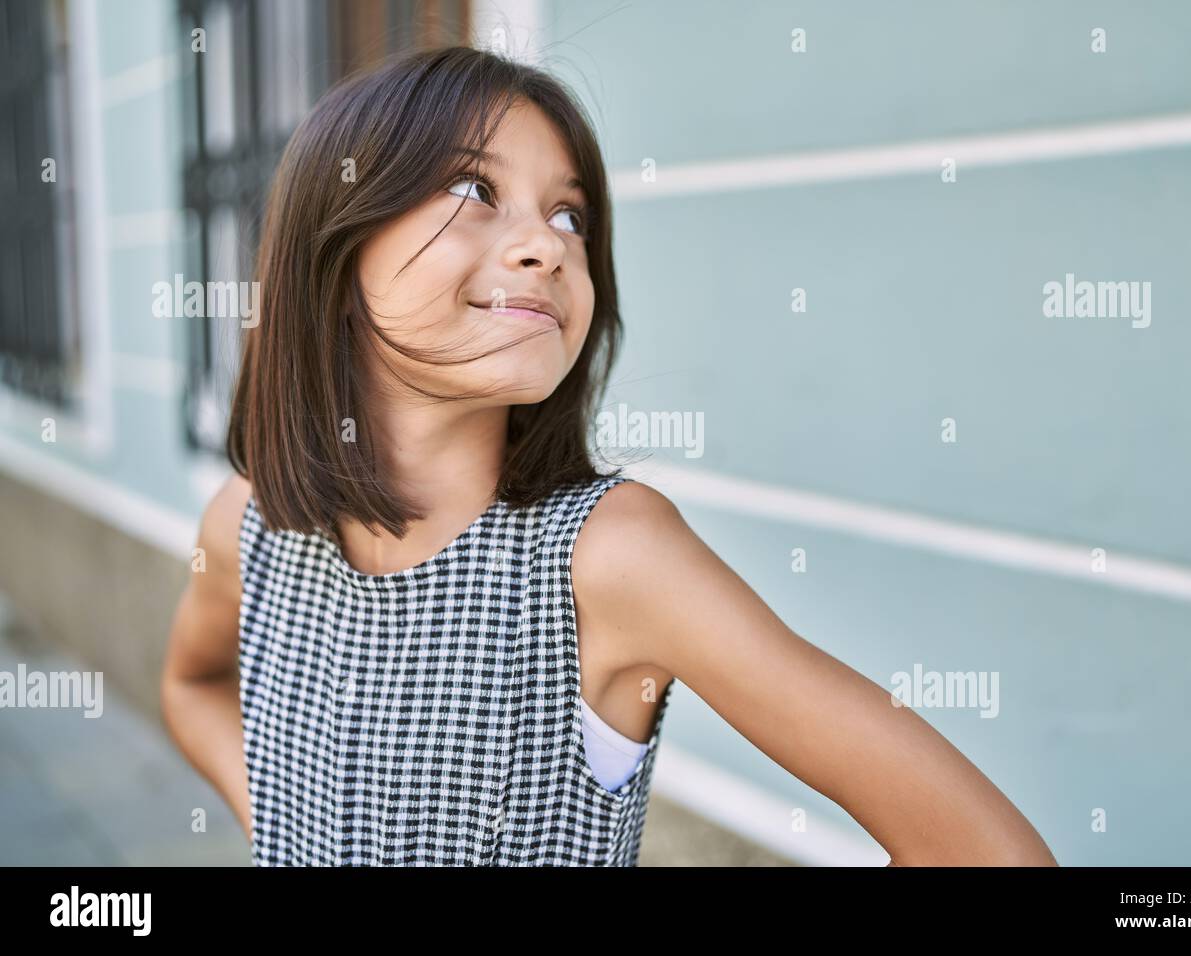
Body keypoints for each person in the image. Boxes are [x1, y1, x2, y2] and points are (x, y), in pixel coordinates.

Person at [160, 45, 1056, 867]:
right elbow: (191, 686)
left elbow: (989, 854)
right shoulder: (249, 526)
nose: (547, 244)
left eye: (571, 215)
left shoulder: (605, 556)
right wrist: (295, 824)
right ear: (336, 245)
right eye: (474, 191)